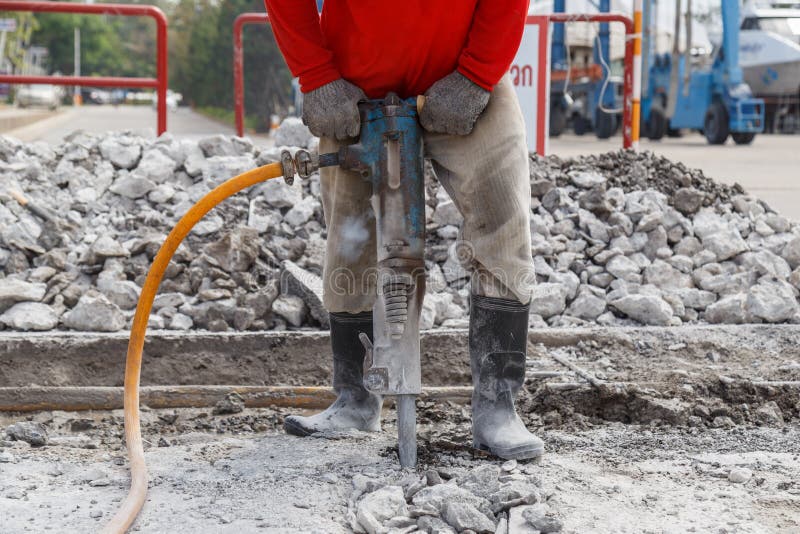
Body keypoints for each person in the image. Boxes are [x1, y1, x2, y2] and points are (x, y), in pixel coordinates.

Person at [263, 0, 542, 460]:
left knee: (503, 228)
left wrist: (476, 75)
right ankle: (355, 398)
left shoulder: (472, 79)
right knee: (350, 242)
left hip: (466, 80)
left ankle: (498, 409)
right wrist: (316, 77)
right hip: (353, 92)